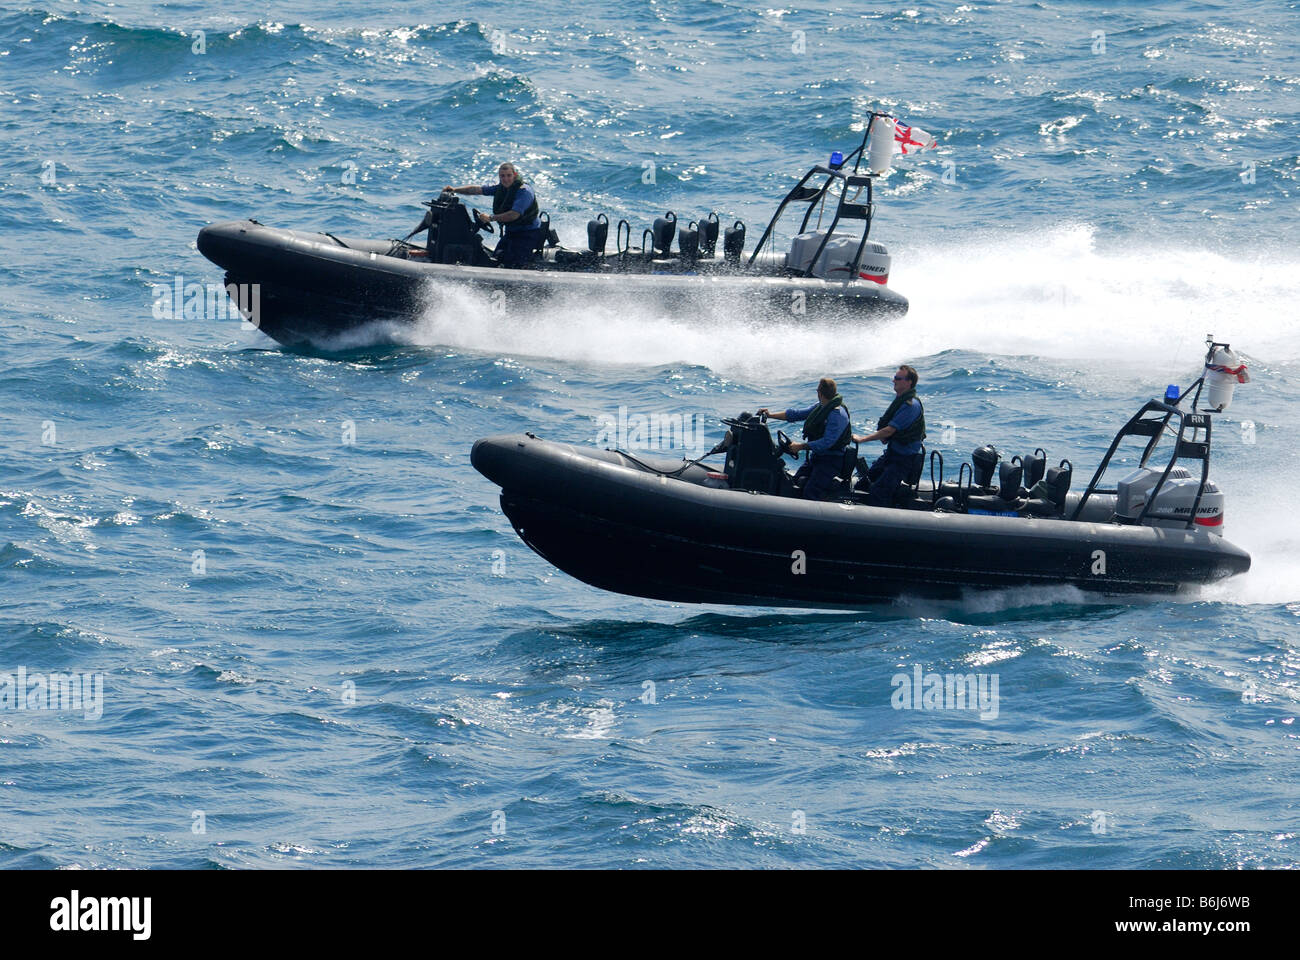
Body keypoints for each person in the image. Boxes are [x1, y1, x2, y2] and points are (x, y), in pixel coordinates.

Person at [758, 377, 852, 501]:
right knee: (795, 482)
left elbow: (828, 442)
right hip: (817, 458)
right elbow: (796, 414)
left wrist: (801, 446)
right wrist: (770, 415)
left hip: (831, 461)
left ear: (819, 393)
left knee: (811, 491)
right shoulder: (821, 407)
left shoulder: (837, 414)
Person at [442, 162, 542, 268]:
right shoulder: (501, 188)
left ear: (515, 175)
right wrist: (454, 190)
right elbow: (477, 190)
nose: (505, 179)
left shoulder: (524, 192)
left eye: (509, 175)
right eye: (502, 176)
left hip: (527, 234)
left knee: (512, 264)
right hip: (512, 232)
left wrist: (490, 218)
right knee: (497, 256)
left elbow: (514, 215)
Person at [853, 365, 926, 507]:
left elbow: (889, 431)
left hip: (903, 460)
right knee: (863, 484)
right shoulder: (900, 401)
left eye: (898, 378)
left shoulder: (910, 405)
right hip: (892, 455)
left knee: (879, 492)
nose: (894, 381)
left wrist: (862, 439)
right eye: (894, 378)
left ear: (909, 382)